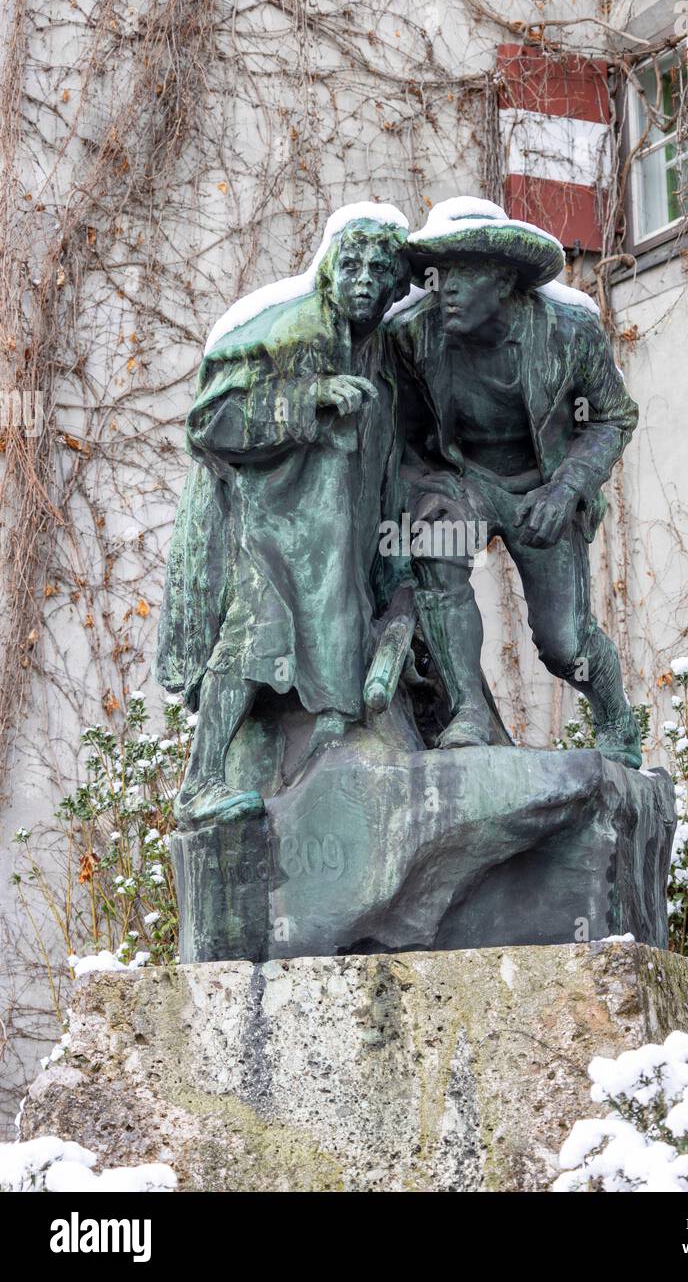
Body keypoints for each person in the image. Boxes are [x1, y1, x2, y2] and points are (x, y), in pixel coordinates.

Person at [155, 204, 412, 825]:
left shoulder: (377, 352)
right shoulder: (291, 329)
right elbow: (209, 424)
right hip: (263, 531)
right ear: (329, 270)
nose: (365, 280)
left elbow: (386, 464)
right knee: (254, 640)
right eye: (351, 266)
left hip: (328, 549)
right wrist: (312, 396)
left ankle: (320, 779)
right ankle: (200, 784)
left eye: (381, 271)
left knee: (332, 658)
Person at [388, 197, 642, 767]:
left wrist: (567, 488)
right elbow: (399, 433)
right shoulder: (412, 336)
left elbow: (613, 416)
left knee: (563, 644)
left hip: (543, 487)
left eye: (463, 274)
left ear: (502, 281)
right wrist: (421, 489)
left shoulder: (569, 333)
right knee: (437, 542)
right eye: (440, 274)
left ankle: (616, 718)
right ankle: (467, 711)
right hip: (465, 482)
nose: (445, 288)